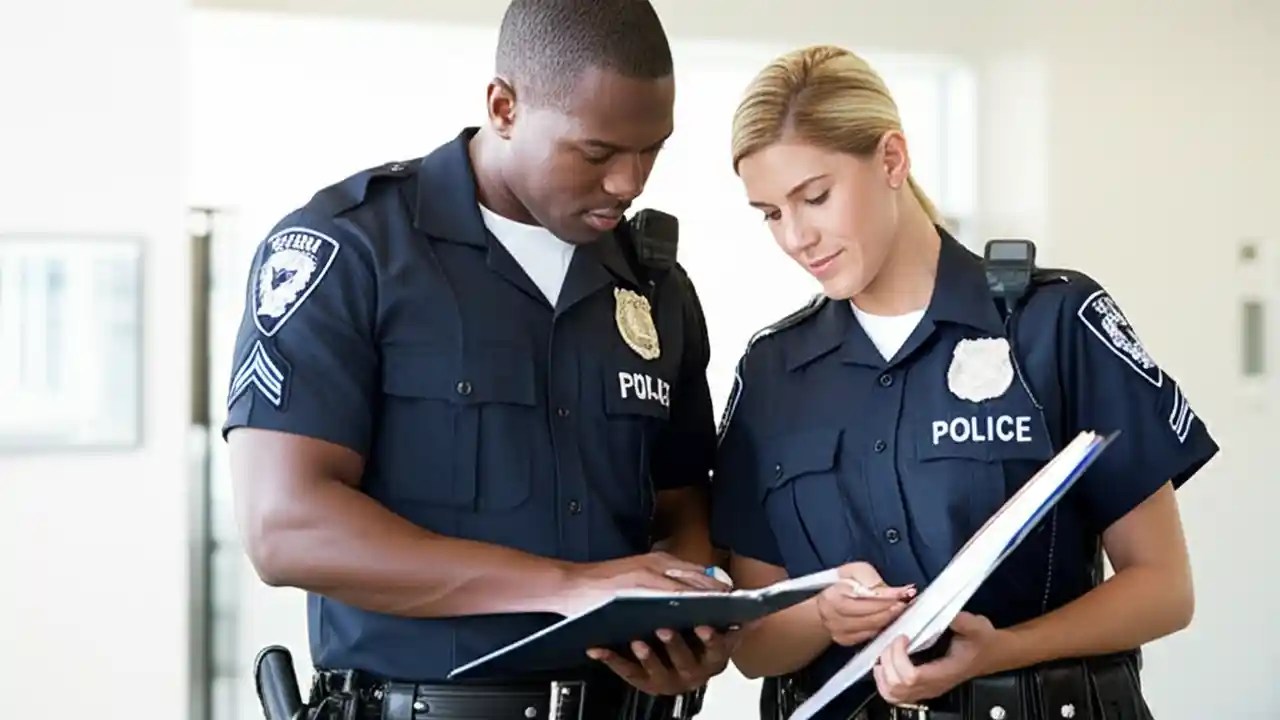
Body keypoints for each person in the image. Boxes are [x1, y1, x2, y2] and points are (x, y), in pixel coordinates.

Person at [223, 1, 734, 718]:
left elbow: (683, 505)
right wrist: (566, 585)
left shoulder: (655, 287)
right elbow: (286, 526)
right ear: (503, 106)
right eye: (597, 152)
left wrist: (692, 618)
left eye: (653, 149)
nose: (630, 181)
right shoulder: (352, 252)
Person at [710, 45, 1219, 720]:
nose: (797, 236)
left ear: (892, 159)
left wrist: (1001, 650)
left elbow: (1164, 589)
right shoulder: (772, 372)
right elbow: (753, 647)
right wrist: (823, 618)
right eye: (770, 213)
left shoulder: (1053, 324)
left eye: (816, 196)